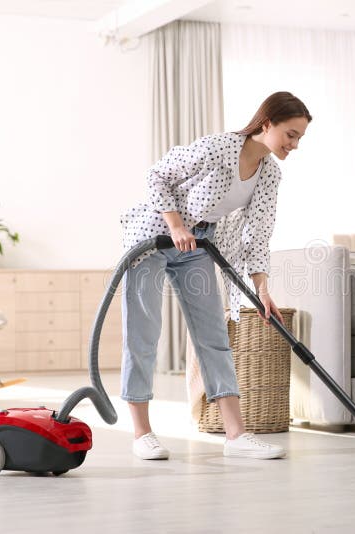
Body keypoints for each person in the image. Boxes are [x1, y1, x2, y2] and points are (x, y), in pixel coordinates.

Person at [119, 91, 311, 460]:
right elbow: (157, 175)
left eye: (300, 137)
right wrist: (175, 225)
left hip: (199, 246)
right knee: (143, 334)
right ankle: (142, 433)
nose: (295, 144)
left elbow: (259, 232)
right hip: (151, 236)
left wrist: (262, 289)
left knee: (214, 336)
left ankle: (236, 435)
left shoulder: (269, 173)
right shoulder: (217, 148)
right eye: (291, 134)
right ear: (267, 123)